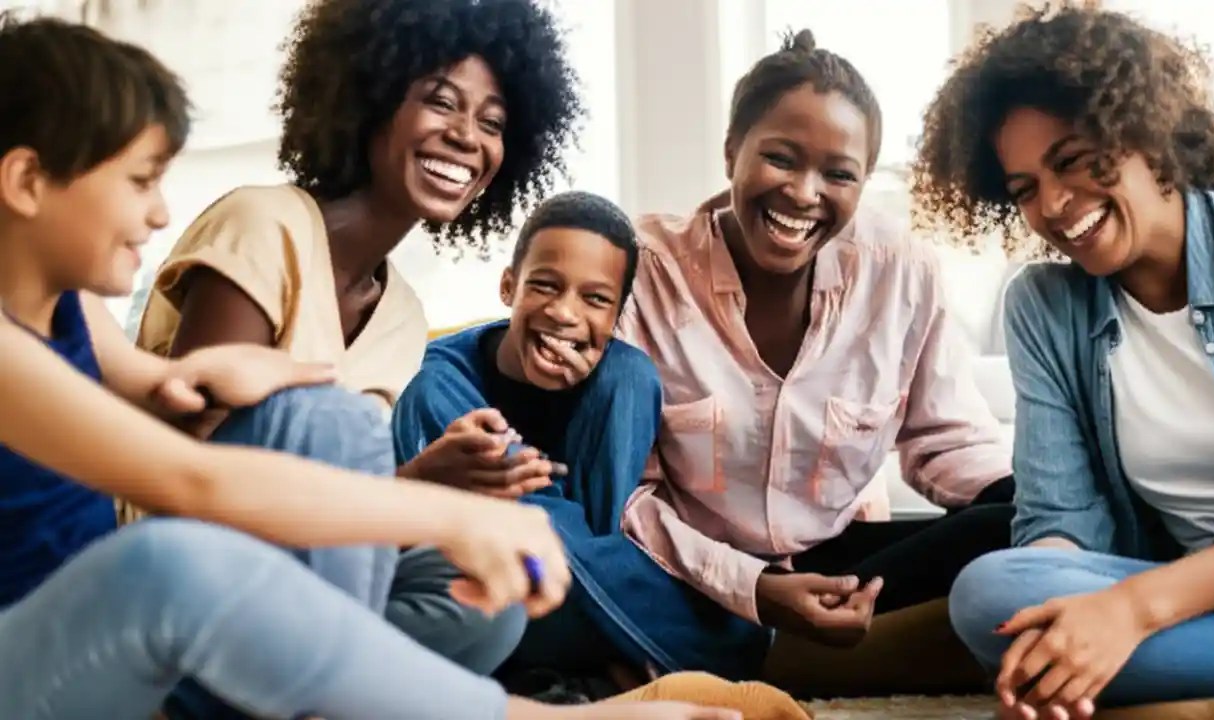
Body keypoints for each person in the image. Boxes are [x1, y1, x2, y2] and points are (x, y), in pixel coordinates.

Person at [0, 14, 742, 720]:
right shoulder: (262, 229)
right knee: (194, 540)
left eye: (491, 121)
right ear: (27, 181)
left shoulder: (71, 307)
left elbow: (160, 388)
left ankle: (326, 701)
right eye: (140, 182)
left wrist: (239, 375)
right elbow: (185, 479)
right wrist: (447, 511)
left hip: (134, 613)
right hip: (98, 613)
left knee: (469, 584)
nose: (163, 214)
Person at [129, 0, 586, 704]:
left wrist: (422, 481)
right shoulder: (265, 223)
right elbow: (189, 465)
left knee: (487, 605)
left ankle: (313, 692)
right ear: (371, 96)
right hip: (190, 575)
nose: (467, 137)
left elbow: (332, 526)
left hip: (294, 592)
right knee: (320, 418)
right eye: (441, 102)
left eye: (492, 123)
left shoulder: (402, 314)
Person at [911, 5, 1214, 718]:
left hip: (1173, 604)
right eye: (1023, 189)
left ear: (1144, 132)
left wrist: (1134, 611)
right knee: (991, 593)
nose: (1053, 204)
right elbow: (1060, 524)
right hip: (1199, 612)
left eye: (1074, 161)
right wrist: (1062, 625)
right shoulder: (1045, 308)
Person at [615, 28, 1014, 669]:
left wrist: (1027, 507)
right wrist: (755, 590)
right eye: (780, 158)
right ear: (731, 153)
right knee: (591, 561)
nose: (804, 193)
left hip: (843, 567)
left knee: (1015, 526)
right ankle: (768, 647)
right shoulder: (645, 270)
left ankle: (783, 650)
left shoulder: (901, 271)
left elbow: (950, 439)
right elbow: (626, 495)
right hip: (690, 571)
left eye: (838, 174)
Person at [392, 191, 769, 699]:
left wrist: (586, 398)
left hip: (574, 598)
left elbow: (606, 534)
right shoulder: (440, 386)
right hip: (487, 587)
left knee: (628, 376)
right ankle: (745, 650)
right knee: (545, 537)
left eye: (595, 299)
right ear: (509, 287)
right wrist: (755, 594)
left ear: (617, 314)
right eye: (545, 286)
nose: (565, 313)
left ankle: (590, 659)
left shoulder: (618, 378)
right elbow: (534, 539)